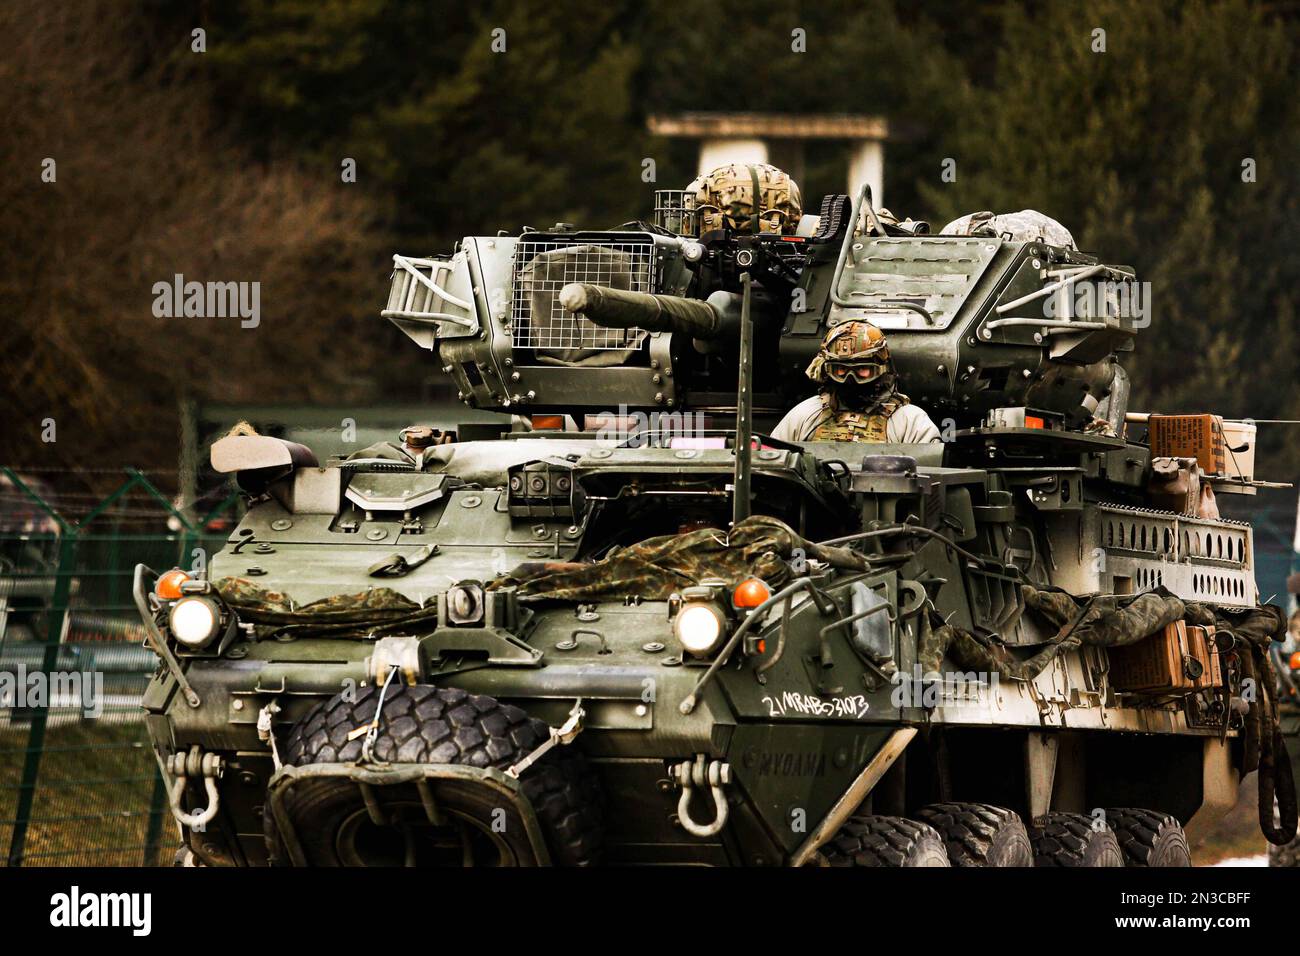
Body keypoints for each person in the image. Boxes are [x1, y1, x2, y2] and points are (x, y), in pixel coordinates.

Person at [772, 320, 941, 443]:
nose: (850, 379)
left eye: (861, 369)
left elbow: (929, 480)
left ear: (881, 369)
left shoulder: (910, 420)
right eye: (842, 370)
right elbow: (774, 467)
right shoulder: (805, 415)